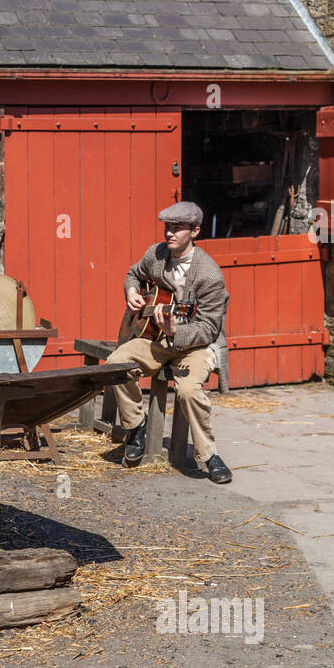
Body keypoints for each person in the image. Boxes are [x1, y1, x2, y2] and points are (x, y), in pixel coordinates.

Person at [107, 201, 233, 483]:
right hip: (154, 337)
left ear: (196, 231)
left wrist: (177, 331)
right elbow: (133, 273)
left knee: (188, 391)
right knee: (115, 363)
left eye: (177, 229)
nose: (170, 234)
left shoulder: (209, 275)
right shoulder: (157, 254)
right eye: (167, 228)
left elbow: (210, 327)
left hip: (194, 345)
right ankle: (136, 426)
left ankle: (209, 454)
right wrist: (131, 292)